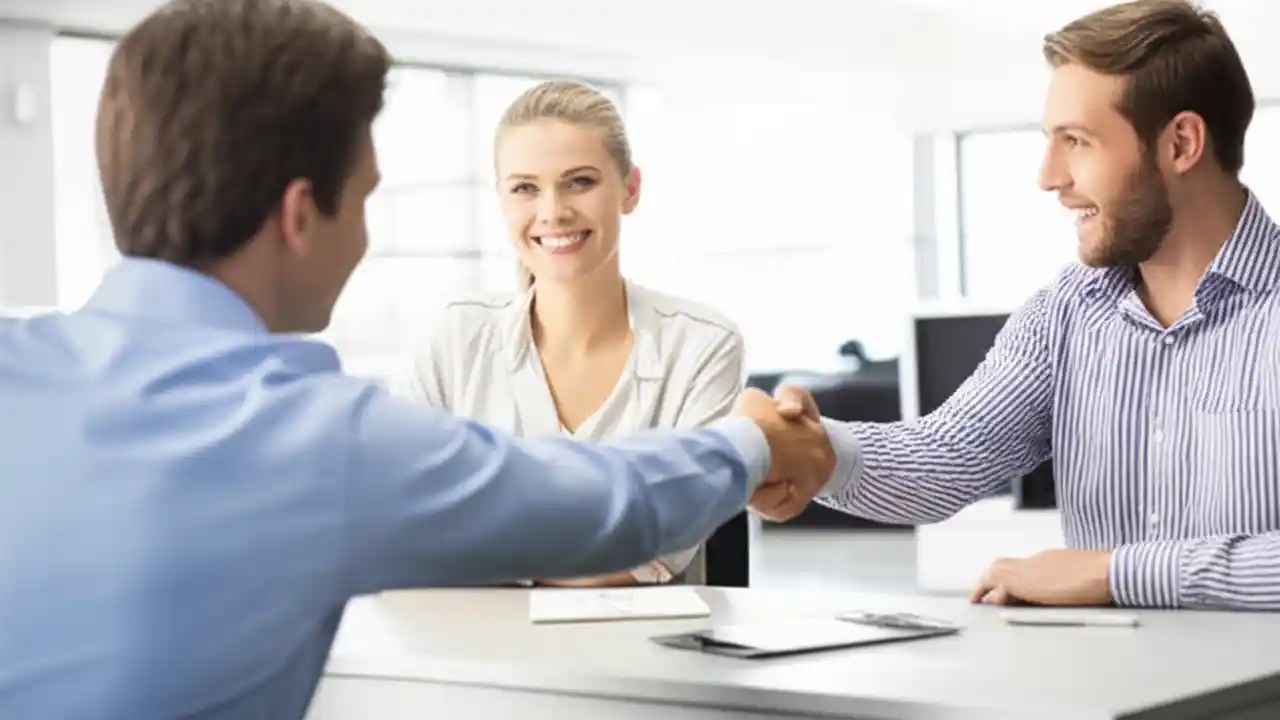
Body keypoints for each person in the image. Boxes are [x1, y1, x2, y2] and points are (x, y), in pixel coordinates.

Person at [0, 1, 834, 718]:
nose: (366, 234)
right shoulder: (320, 441)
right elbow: (607, 506)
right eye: (364, 198)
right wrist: (755, 437)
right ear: (300, 216)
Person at [766, 0, 1280, 612]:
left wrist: (1116, 574)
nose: (1048, 176)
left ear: (1181, 143)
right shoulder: (1067, 312)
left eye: (1077, 141)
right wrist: (815, 453)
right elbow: (950, 455)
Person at [396, 80, 745, 587]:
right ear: (501, 199)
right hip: (467, 653)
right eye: (525, 188)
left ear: (630, 189)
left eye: (579, 182)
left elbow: (659, 546)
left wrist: (478, 544)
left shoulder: (702, 346)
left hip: (638, 657)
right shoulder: (453, 339)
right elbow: (400, 524)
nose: (552, 211)